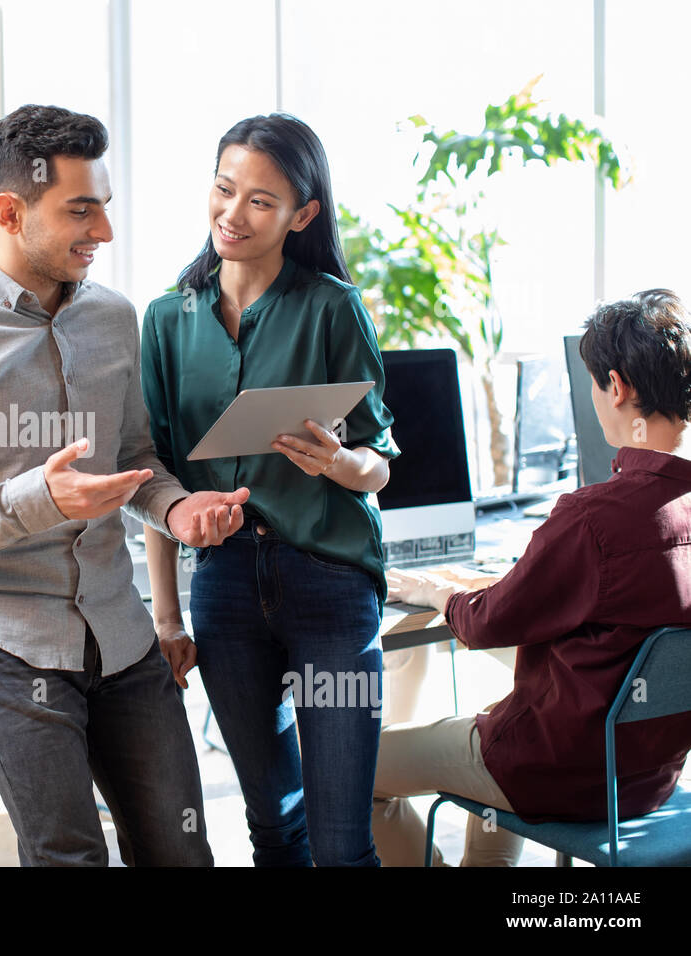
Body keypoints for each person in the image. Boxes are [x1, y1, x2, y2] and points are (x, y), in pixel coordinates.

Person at [0, 104, 249, 867]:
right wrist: (37, 500)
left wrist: (178, 510)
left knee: (182, 853)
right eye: (81, 211)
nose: (104, 232)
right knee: (70, 856)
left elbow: (136, 456)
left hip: (117, 627)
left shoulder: (113, 320)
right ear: (9, 213)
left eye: (105, 206)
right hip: (2, 634)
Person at [140, 113, 398, 867]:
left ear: (303, 215)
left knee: (342, 844)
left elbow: (379, 459)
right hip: (222, 590)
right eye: (225, 190)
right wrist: (166, 617)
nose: (233, 213)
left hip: (329, 585)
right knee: (272, 827)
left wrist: (337, 465)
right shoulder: (166, 320)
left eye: (261, 200)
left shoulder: (332, 307)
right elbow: (156, 477)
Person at [380, 289, 691, 866]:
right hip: (647, 780)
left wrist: (440, 592)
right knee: (511, 701)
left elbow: (485, 624)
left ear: (616, 388)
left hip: (557, 773)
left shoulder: (593, 518)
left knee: (350, 771)